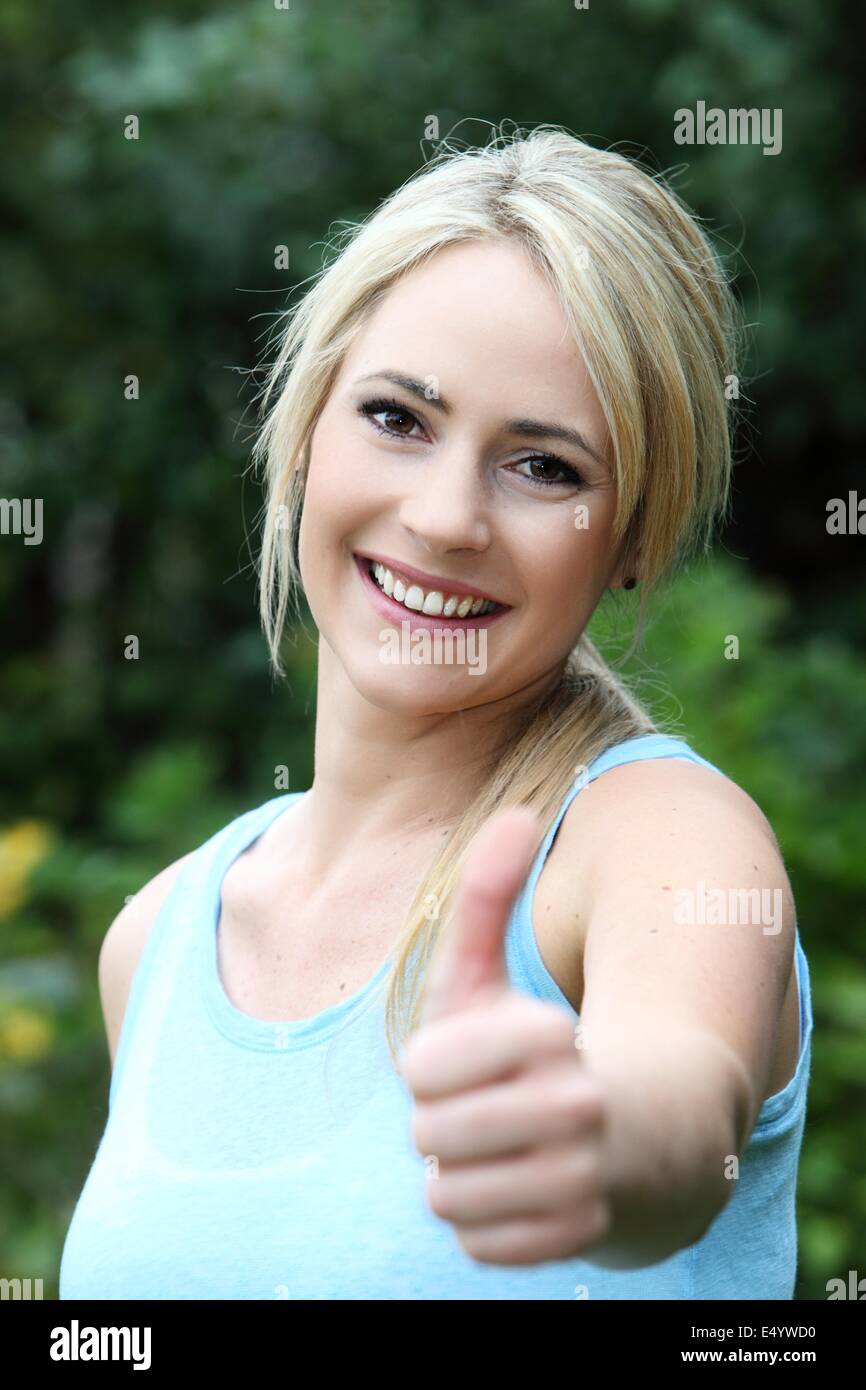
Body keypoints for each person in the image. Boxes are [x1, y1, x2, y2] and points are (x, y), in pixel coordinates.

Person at [59, 125, 812, 1300]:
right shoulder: (152, 940)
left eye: (545, 467)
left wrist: (597, 1142)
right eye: (398, 418)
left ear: (631, 540)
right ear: (305, 427)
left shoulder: (660, 836)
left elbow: (680, 1095)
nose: (447, 517)